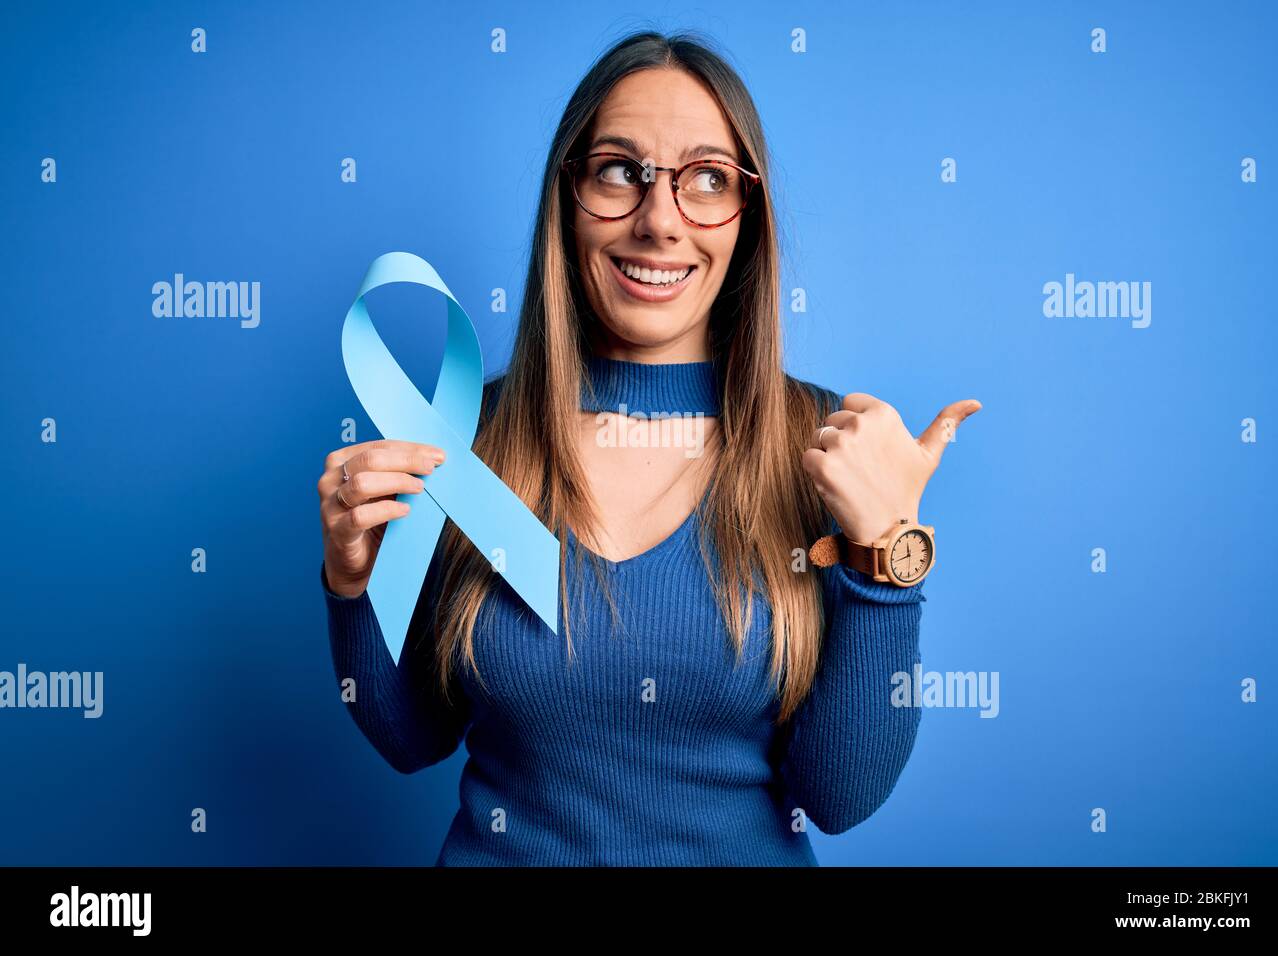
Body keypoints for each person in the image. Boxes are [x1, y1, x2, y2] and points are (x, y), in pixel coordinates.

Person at [316, 30, 980, 866]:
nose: (660, 221)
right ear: (568, 195)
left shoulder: (824, 453)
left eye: (707, 179)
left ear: (748, 216)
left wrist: (888, 562)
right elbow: (413, 740)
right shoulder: (463, 441)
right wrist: (354, 582)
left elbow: (840, 798)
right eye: (620, 172)